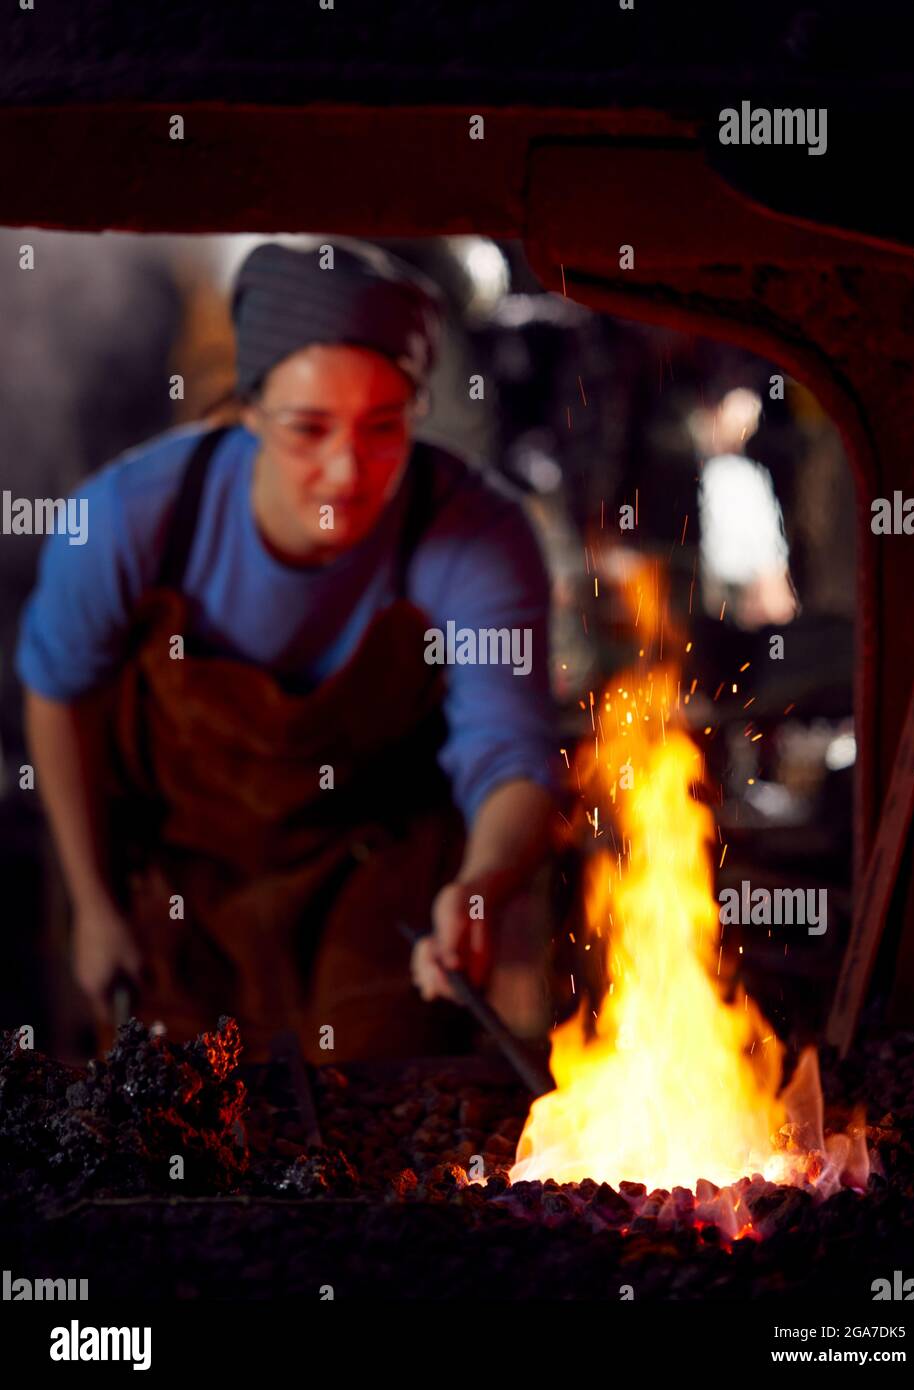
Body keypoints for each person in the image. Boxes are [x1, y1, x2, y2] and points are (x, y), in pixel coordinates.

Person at [16, 237, 561, 1063]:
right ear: (248, 412)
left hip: (379, 879)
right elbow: (59, 695)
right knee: (177, 1122)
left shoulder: (477, 535)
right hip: (173, 877)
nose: (347, 471)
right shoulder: (127, 518)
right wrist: (94, 906)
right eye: (310, 428)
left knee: (384, 1120)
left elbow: (512, 754)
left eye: (383, 428)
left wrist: (480, 889)